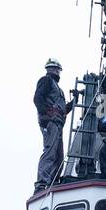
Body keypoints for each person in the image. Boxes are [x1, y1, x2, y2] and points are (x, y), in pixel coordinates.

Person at [33, 57, 74, 192]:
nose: (55, 71)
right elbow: (37, 98)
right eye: (53, 69)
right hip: (50, 122)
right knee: (50, 151)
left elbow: (62, 110)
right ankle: (41, 183)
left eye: (56, 69)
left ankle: (53, 180)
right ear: (48, 69)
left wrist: (73, 103)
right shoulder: (46, 81)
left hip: (57, 123)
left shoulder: (58, 90)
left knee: (58, 155)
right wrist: (44, 116)